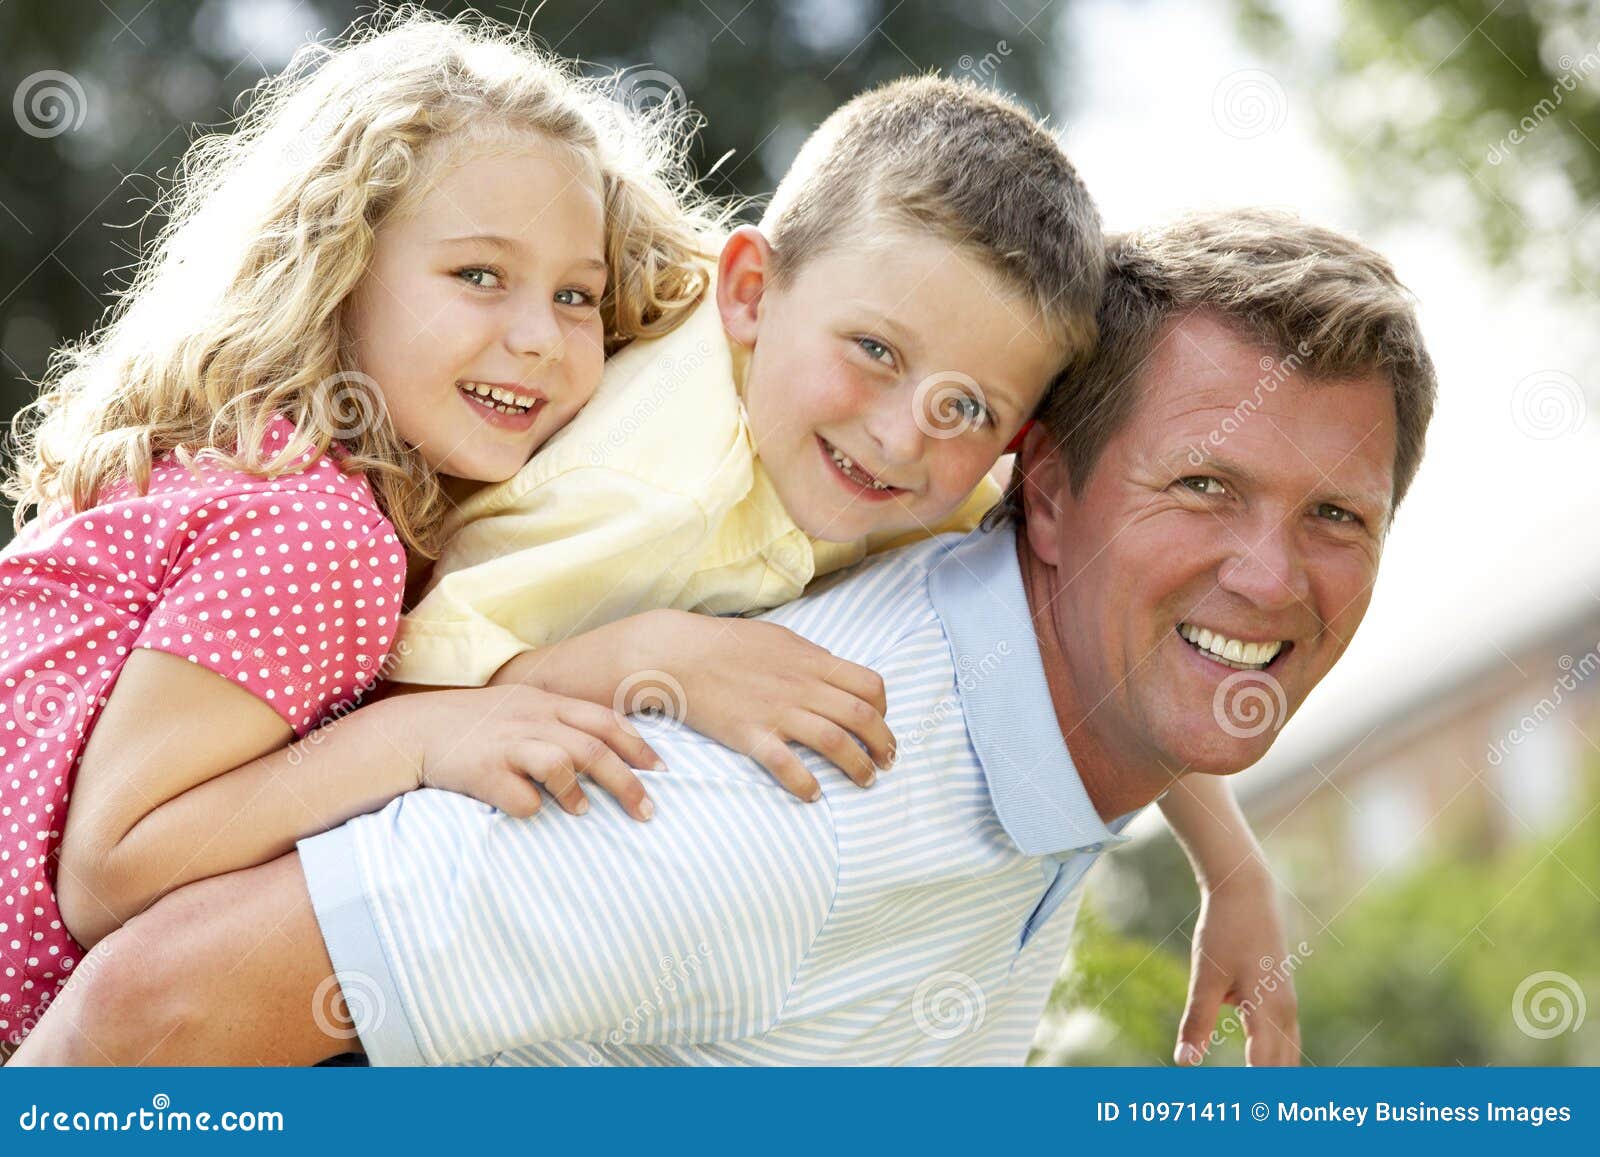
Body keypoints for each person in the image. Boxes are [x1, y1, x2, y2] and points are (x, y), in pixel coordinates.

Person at [9, 206, 1436, 1067]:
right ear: (1047, 490)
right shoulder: (769, 802)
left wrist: (1232, 863)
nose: (1269, 572)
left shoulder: (1037, 709)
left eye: (1337, 517)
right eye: (1204, 487)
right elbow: (145, 1019)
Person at [0, 12, 718, 1056]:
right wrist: (420, 737)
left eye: (576, 295)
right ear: (337, 266)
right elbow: (111, 869)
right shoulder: (318, 527)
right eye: (479, 274)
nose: (536, 335)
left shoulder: (256, 464)